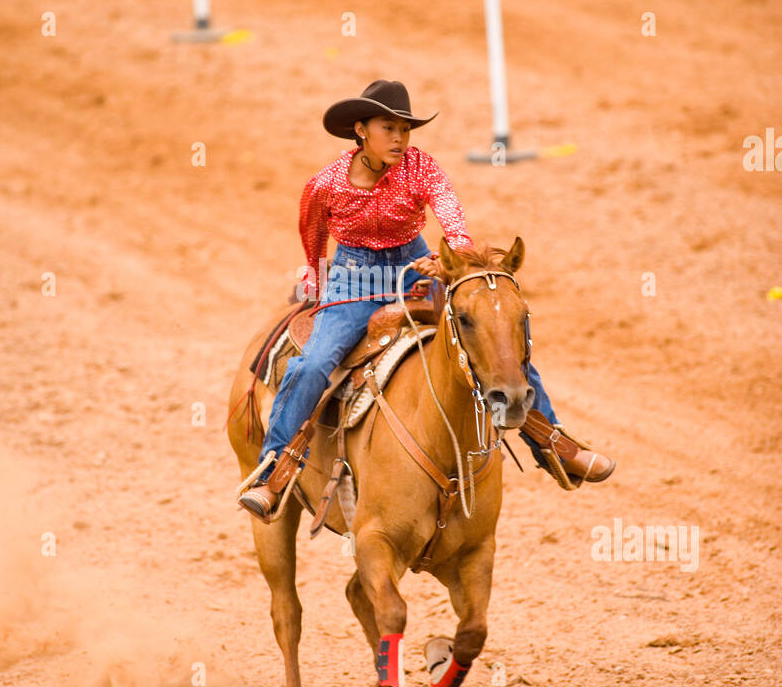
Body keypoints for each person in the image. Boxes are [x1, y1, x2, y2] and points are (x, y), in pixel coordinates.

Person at [239, 80, 614, 521]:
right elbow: (313, 236)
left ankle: (552, 442)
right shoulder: (325, 184)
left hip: (417, 265)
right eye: (388, 128)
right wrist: (315, 275)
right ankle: (275, 468)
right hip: (354, 277)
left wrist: (448, 258)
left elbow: (451, 217)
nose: (399, 139)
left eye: (405, 129)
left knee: (493, 338)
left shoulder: (423, 168)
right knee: (316, 362)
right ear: (360, 130)